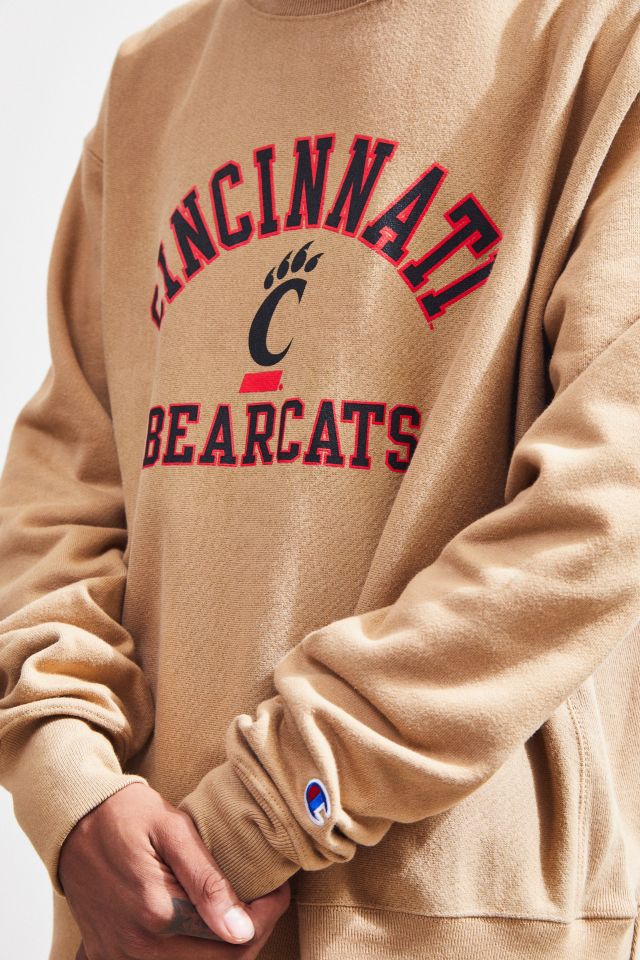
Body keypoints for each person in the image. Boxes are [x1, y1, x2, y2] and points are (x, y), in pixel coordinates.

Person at [1, 0, 640, 957]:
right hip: (140, 920)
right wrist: (71, 787)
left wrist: (264, 813)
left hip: (452, 924)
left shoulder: (602, 42)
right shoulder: (152, 78)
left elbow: (602, 512)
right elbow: (60, 490)